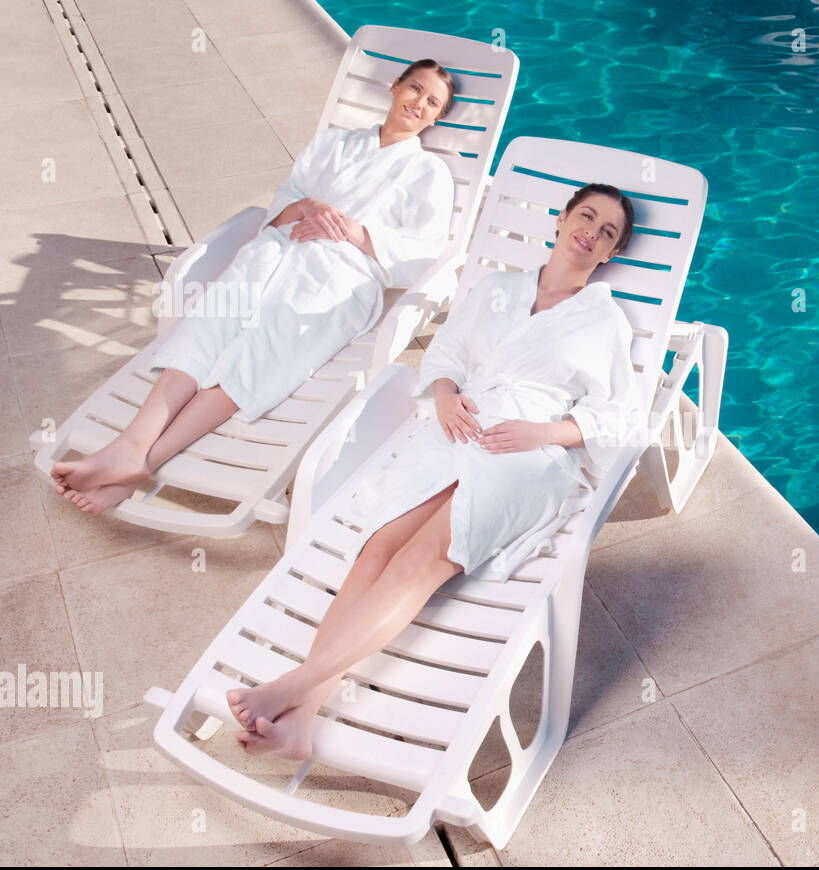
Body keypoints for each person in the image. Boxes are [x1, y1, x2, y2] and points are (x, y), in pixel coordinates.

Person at [226, 184, 645, 760]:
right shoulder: (498, 289)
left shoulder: (605, 322)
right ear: (561, 219)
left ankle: (293, 690)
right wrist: (445, 395)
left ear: (610, 255)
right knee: (376, 550)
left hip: (526, 452)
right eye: (586, 216)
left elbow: (618, 417)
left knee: (423, 559)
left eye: (607, 233)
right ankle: (301, 721)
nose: (591, 232)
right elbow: (445, 352)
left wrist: (543, 434)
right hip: (458, 427)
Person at [52, 59, 458, 514]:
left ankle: (142, 460)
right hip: (275, 251)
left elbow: (422, 254)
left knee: (256, 353)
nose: (419, 103)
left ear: (437, 117)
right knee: (208, 327)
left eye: (433, 102)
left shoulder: (429, 174)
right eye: (415, 89)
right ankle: (130, 446)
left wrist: (351, 230)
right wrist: (304, 206)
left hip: (340, 279)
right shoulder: (334, 143)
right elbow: (283, 200)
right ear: (395, 86)